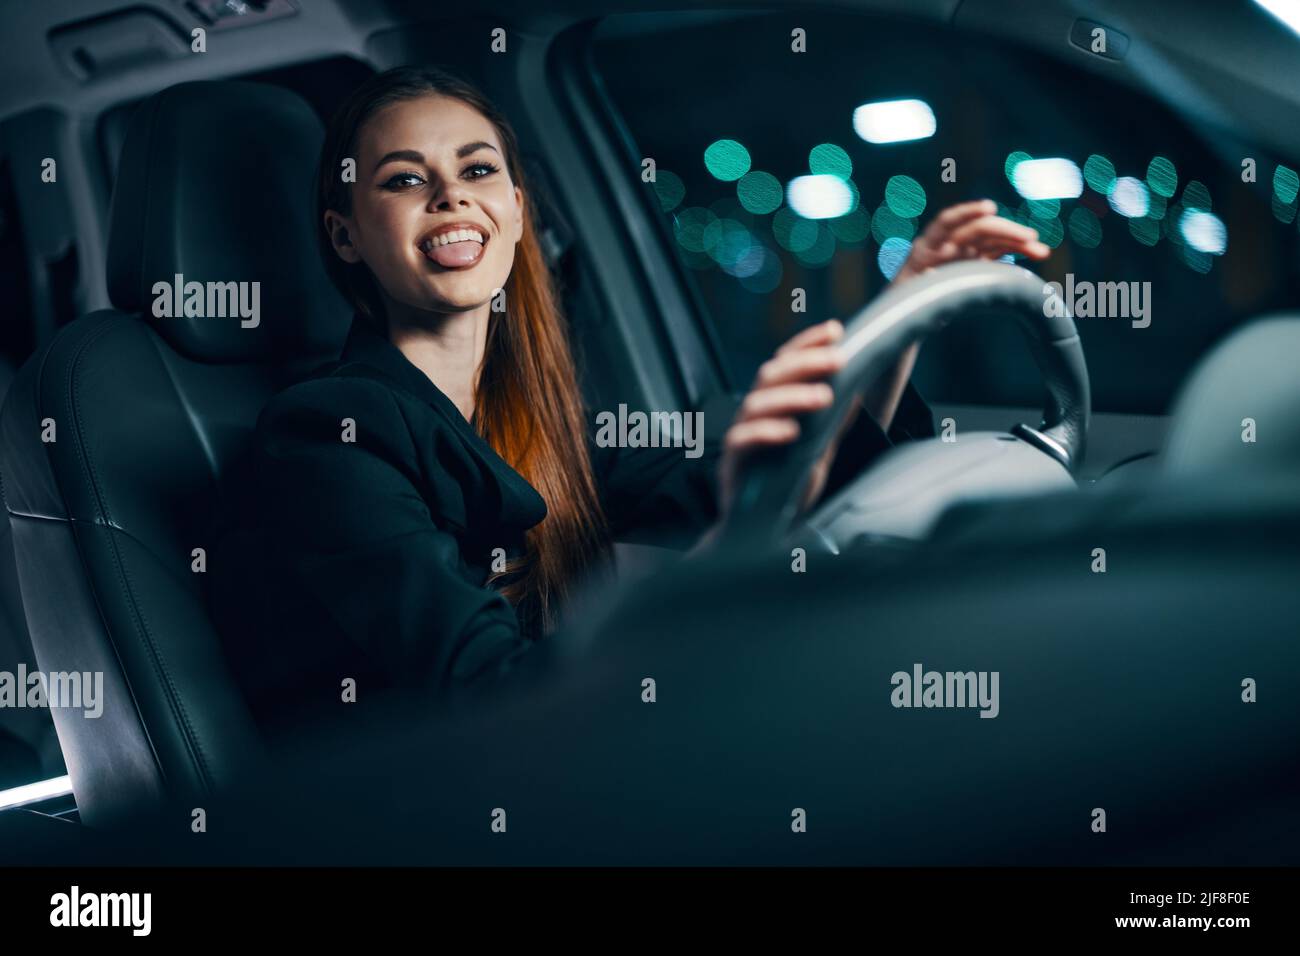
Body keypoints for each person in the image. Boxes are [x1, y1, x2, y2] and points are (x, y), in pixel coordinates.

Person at [210, 66, 1049, 729]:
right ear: (345, 234)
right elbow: (485, 691)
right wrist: (733, 548)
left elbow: (735, 482)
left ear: (514, 207)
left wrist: (899, 319)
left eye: (477, 169)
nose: (451, 196)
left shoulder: (533, 426)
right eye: (402, 179)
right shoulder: (325, 437)